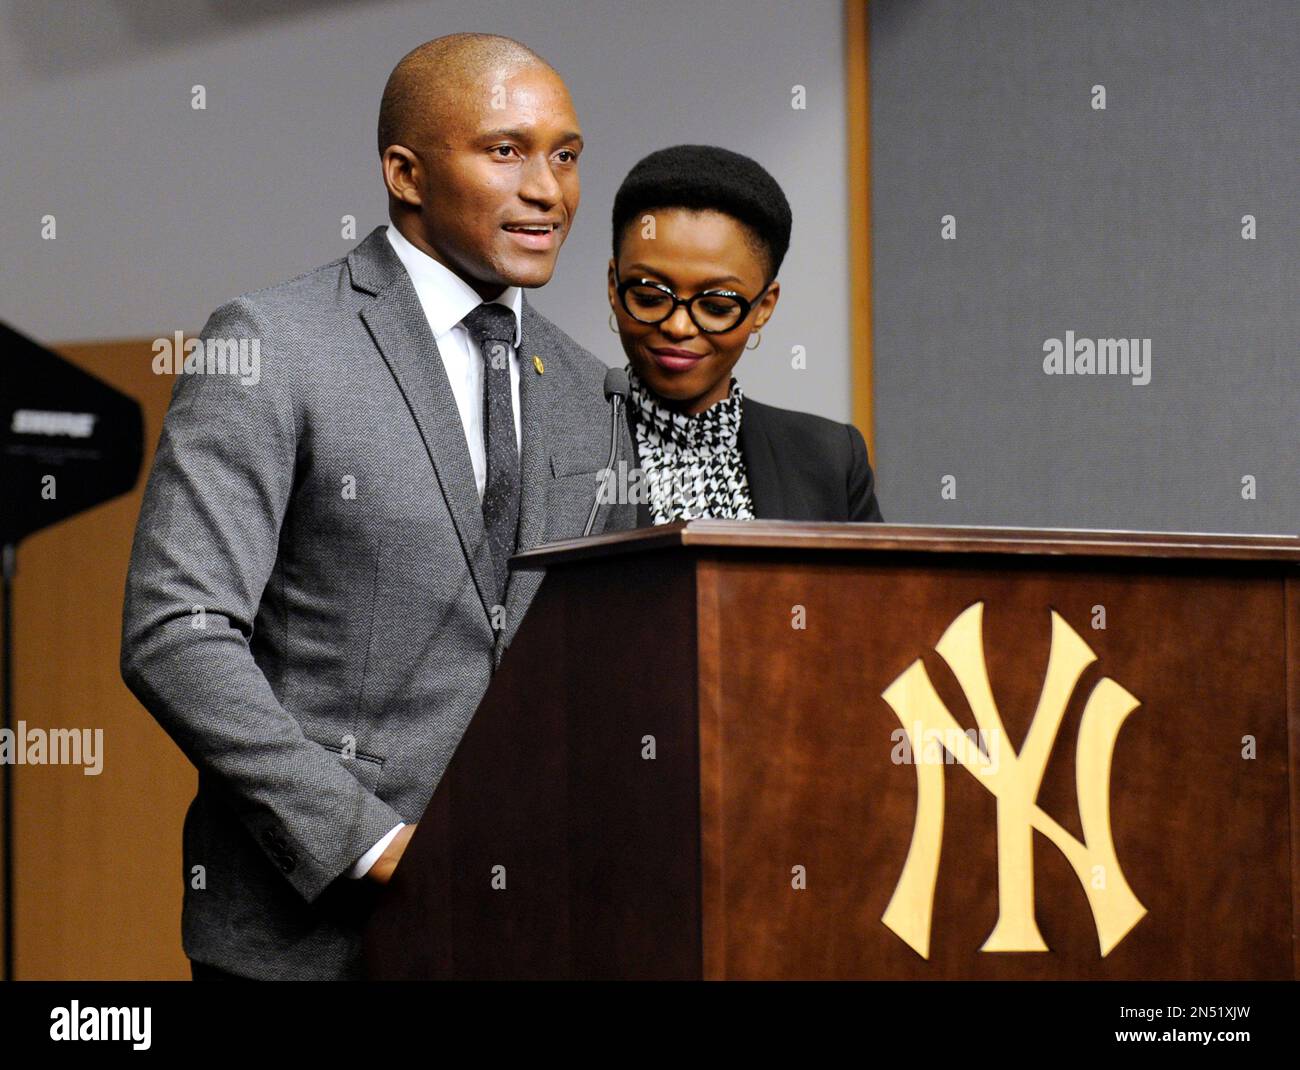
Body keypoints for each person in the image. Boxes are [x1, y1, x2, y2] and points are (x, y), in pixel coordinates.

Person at [120, 33, 635, 981]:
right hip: (307, 940)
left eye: (565, 155)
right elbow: (176, 633)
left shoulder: (591, 389)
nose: (550, 190)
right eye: (506, 150)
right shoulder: (274, 345)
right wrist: (369, 841)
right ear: (405, 171)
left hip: (529, 930)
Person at [606, 144, 883, 525]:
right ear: (613, 285)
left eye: (716, 306)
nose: (678, 326)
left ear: (763, 308)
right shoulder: (560, 446)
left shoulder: (829, 459)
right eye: (650, 297)